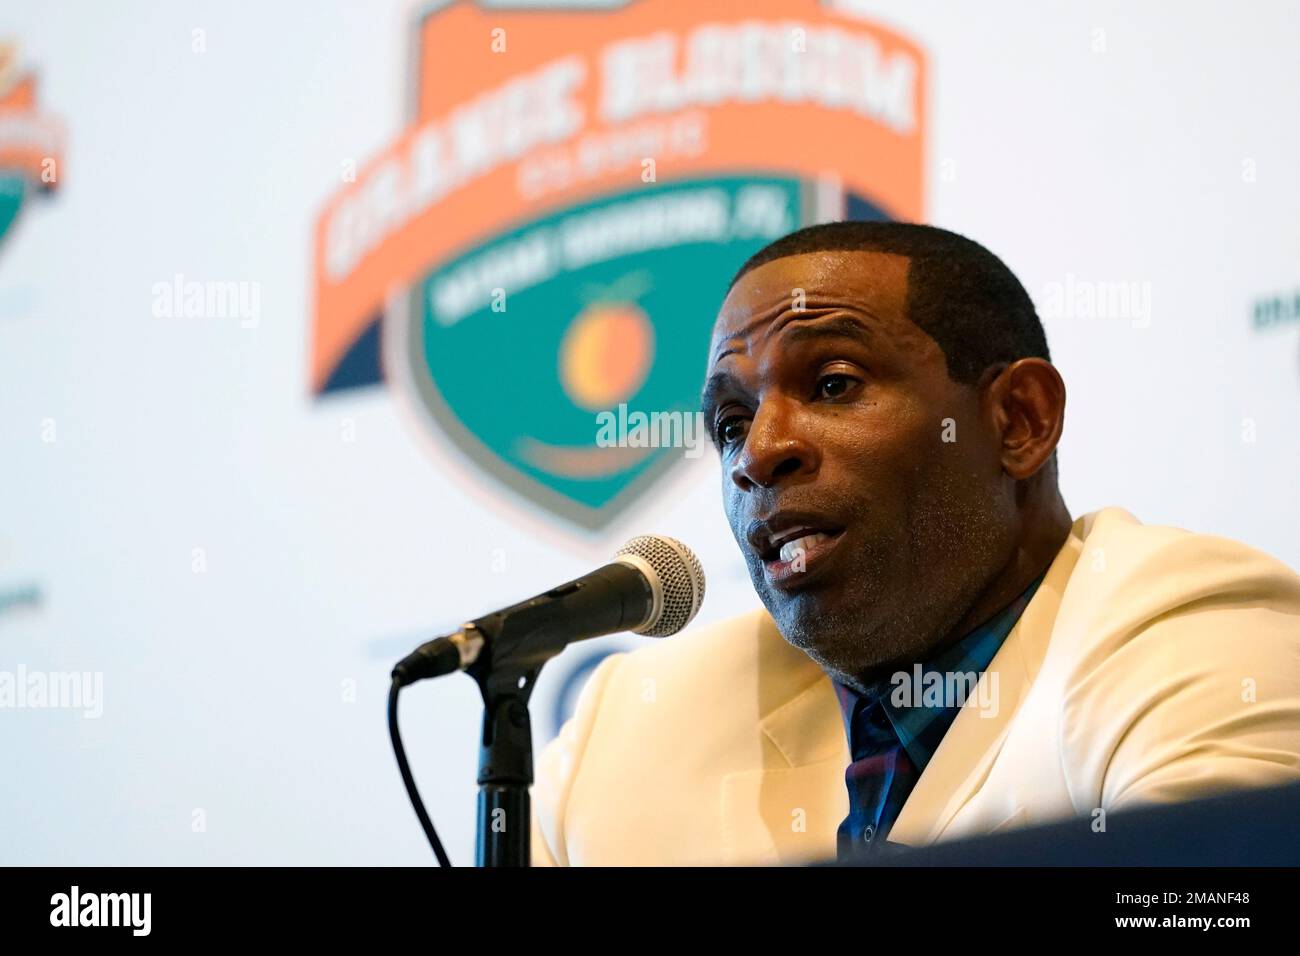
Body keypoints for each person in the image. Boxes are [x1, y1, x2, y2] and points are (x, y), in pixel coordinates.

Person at [530, 221, 1300, 866]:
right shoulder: (625, 730)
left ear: (1018, 420)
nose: (758, 454)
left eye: (833, 383)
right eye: (730, 425)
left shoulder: (1187, 626)